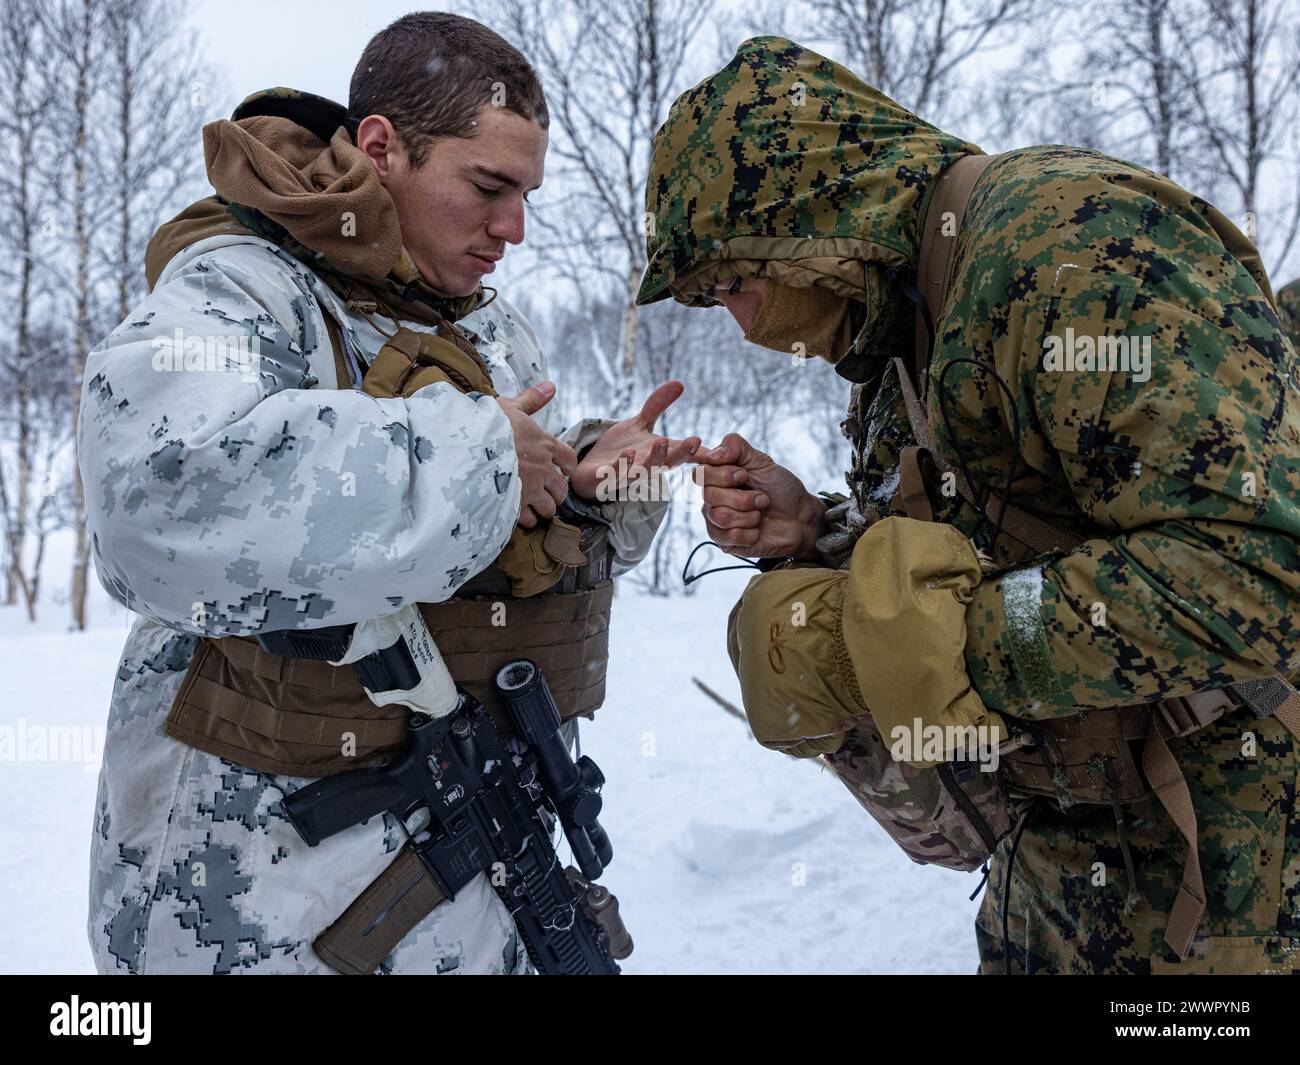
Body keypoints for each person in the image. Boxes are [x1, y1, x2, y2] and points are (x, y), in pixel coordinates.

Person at [637, 35, 1300, 974]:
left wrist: (946, 641)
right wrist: (819, 530)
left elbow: (1260, 562)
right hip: (1057, 878)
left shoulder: (1063, 249)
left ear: (813, 219)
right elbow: (998, 535)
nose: (745, 327)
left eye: (737, 284)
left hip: (1234, 888)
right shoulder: (901, 322)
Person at [81, 12, 698, 975]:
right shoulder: (247, 290)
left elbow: (487, 542)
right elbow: (151, 500)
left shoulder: (496, 334)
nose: (514, 229)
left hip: (484, 895)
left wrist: (580, 484)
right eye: (488, 187)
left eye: (528, 195)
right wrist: (488, 459)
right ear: (383, 148)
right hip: (267, 918)